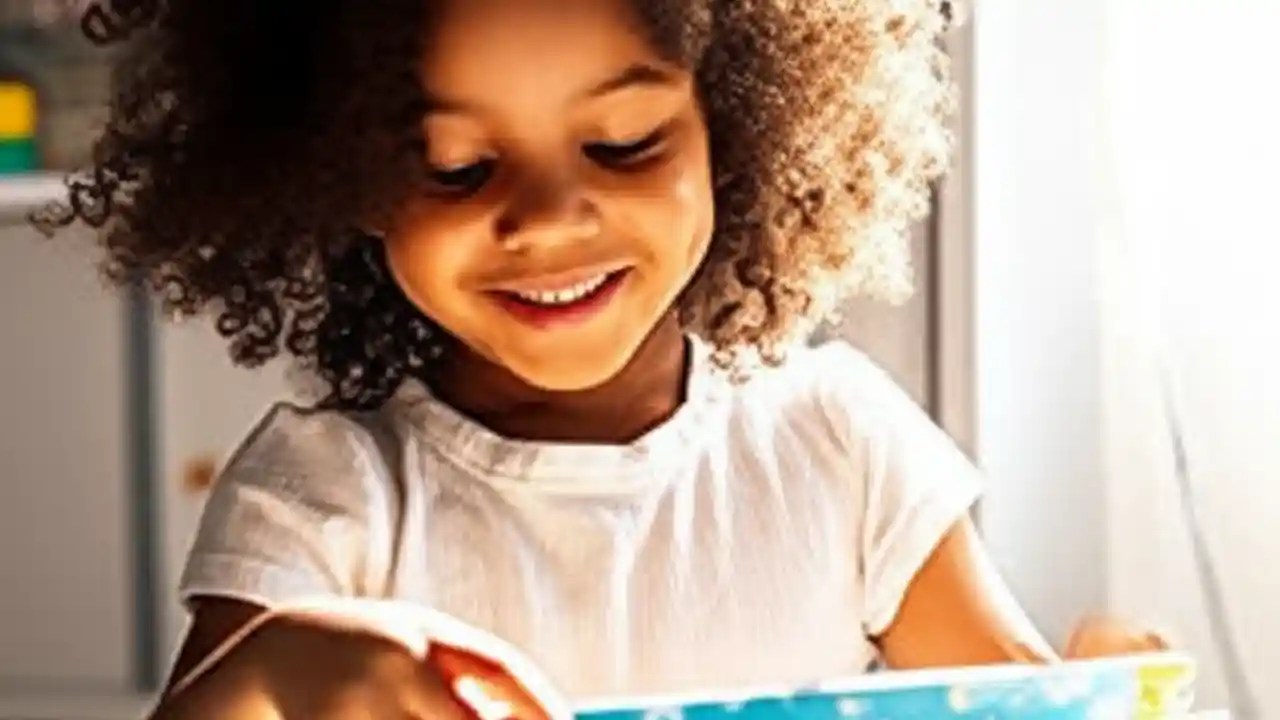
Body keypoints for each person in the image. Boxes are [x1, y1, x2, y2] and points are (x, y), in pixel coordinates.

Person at [38, 0, 1166, 716]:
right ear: (341, 184)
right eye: (455, 165)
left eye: (622, 144)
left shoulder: (839, 441)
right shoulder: (331, 493)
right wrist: (276, 667)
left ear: (737, 125)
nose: (546, 220)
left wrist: (1102, 688)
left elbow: (1012, 698)